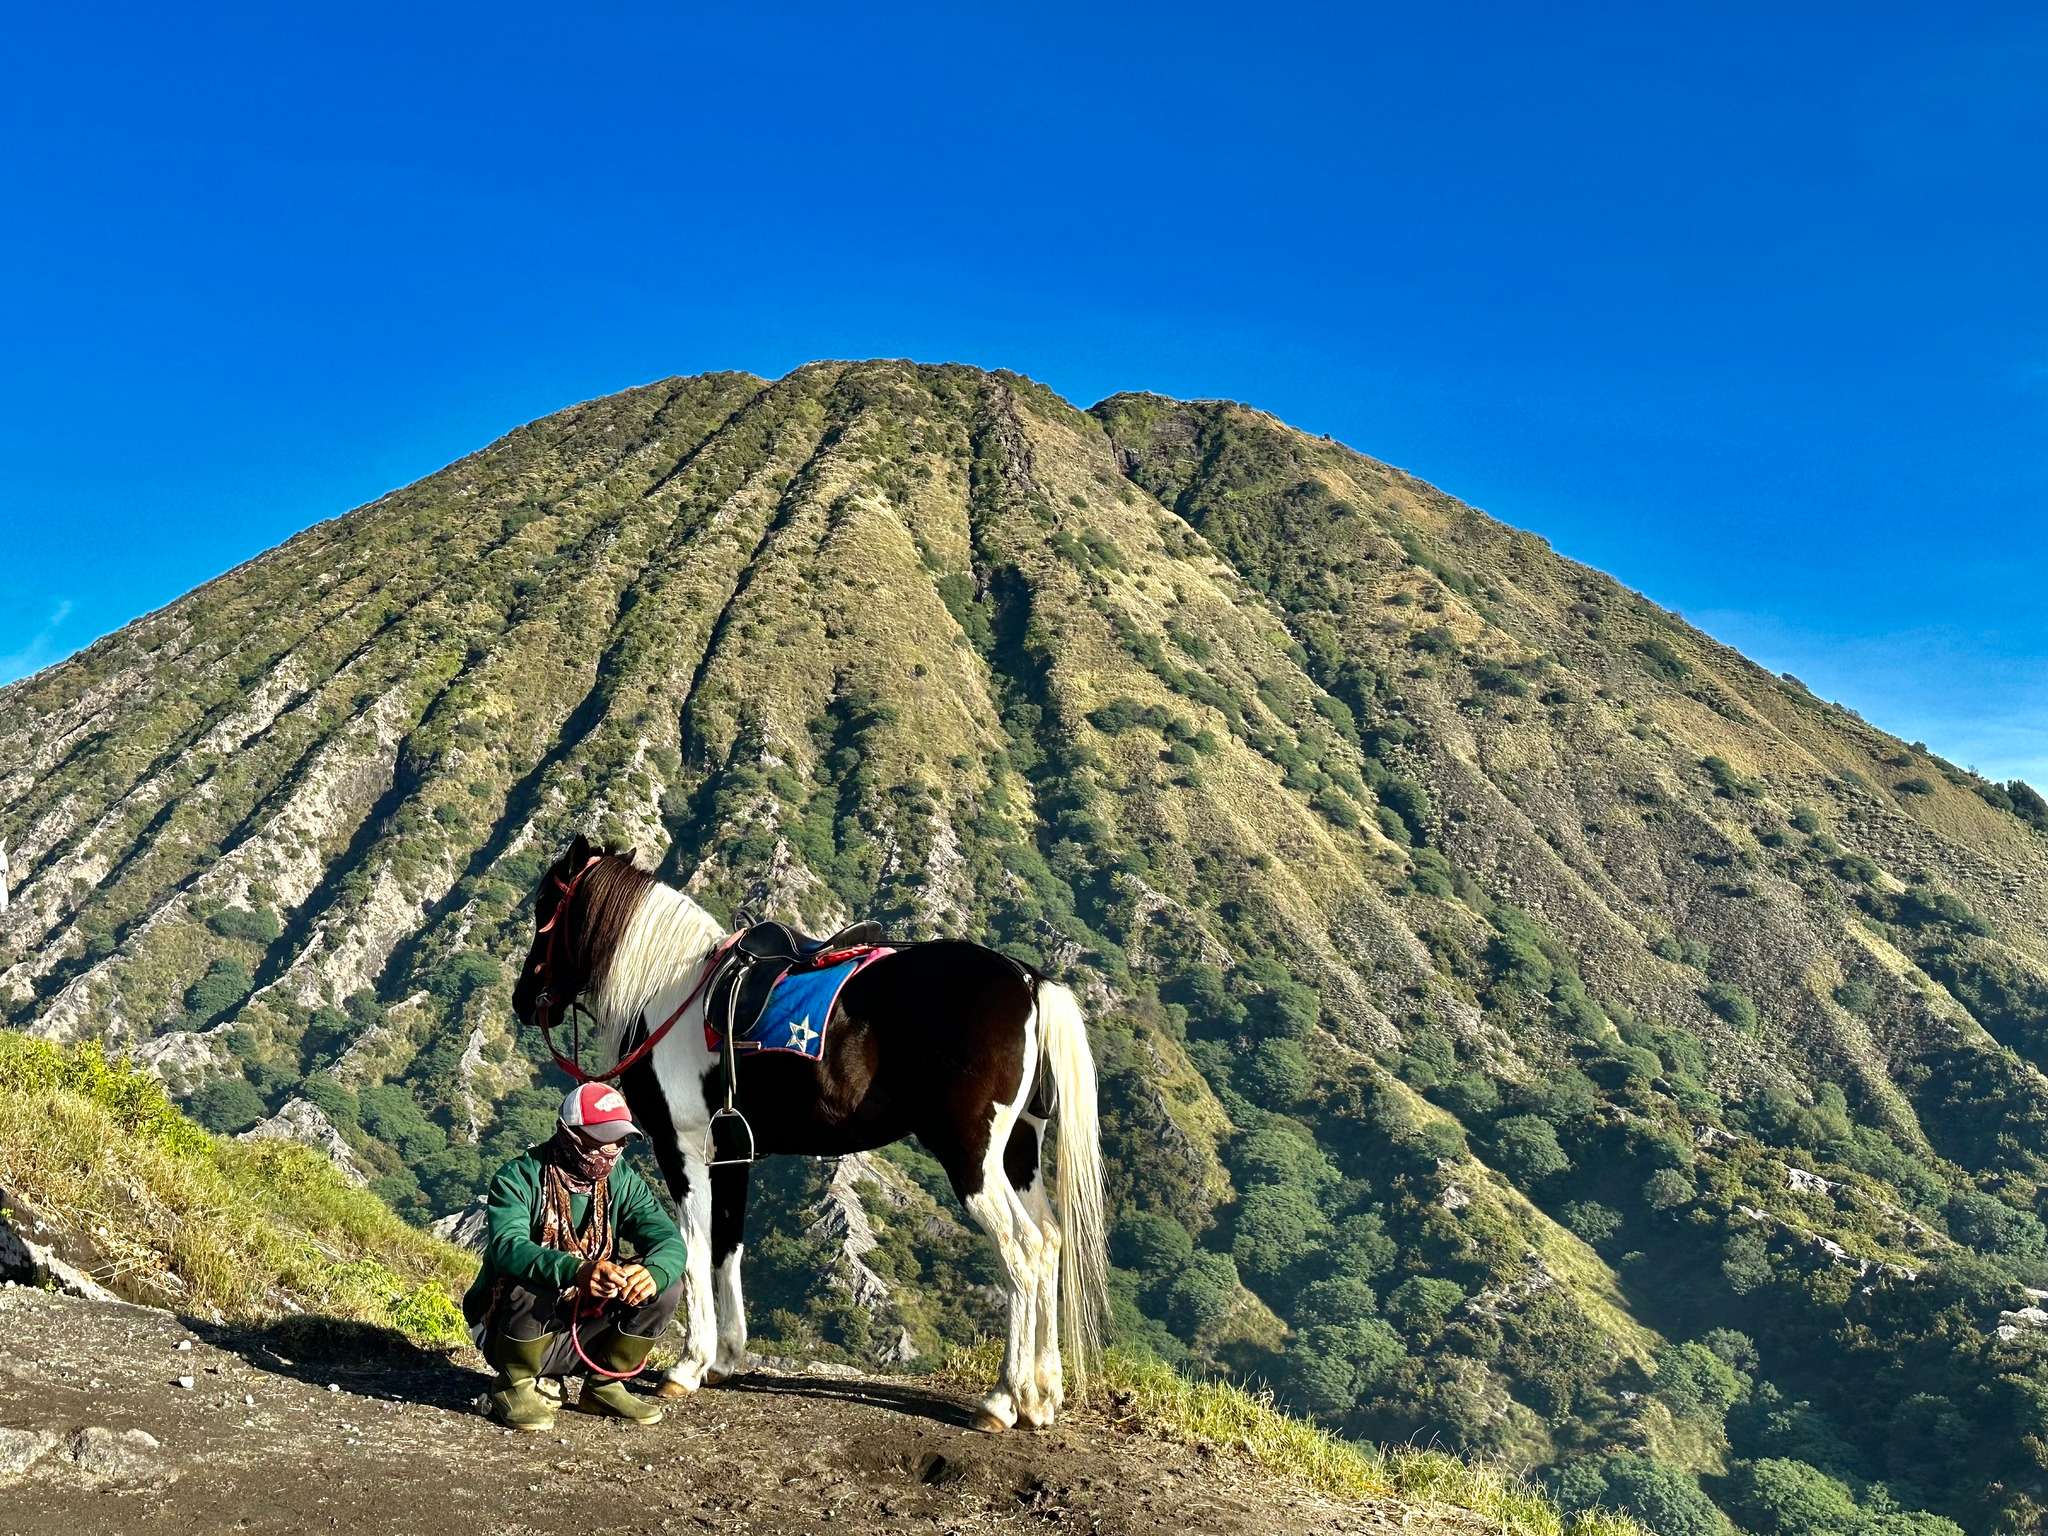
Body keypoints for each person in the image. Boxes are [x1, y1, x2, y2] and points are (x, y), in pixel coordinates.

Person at [462, 1082, 687, 1431]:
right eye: (601, 1140)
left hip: (583, 1322)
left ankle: (604, 1383)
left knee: (666, 1286)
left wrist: (654, 1273)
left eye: (620, 1141)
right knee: (531, 1281)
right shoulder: (519, 1177)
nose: (611, 1151)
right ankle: (513, 1383)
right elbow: (508, 1247)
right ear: (569, 1135)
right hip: (507, 1327)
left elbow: (668, 1240)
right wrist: (576, 1270)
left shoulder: (622, 1181)